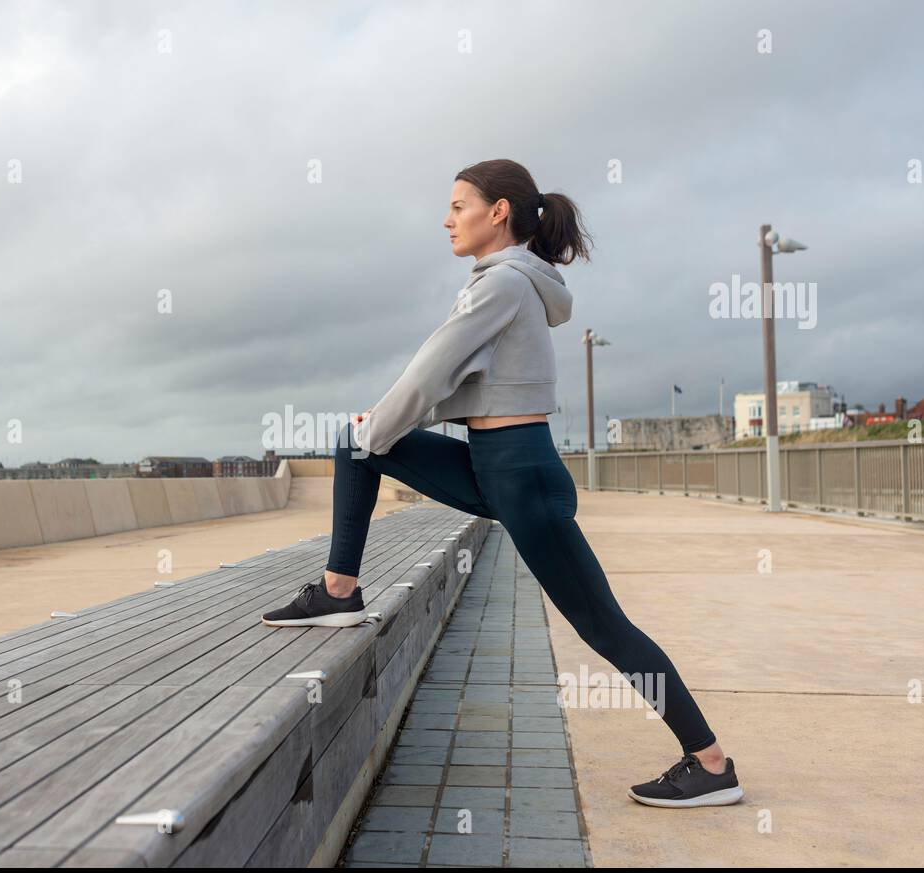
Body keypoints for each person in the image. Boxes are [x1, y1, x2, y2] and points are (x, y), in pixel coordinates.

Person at [261, 158, 742, 808]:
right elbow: (459, 384)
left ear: (499, 212)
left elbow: (432, 370)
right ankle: (339, 589)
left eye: (459, 205)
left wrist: (382, 426)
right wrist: (375, 430)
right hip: (490, 462)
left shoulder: (504, 284)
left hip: (522, 474)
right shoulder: (506, 283)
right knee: (355, 440)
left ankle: (710, 762)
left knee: (605, 626)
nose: (446, 218)